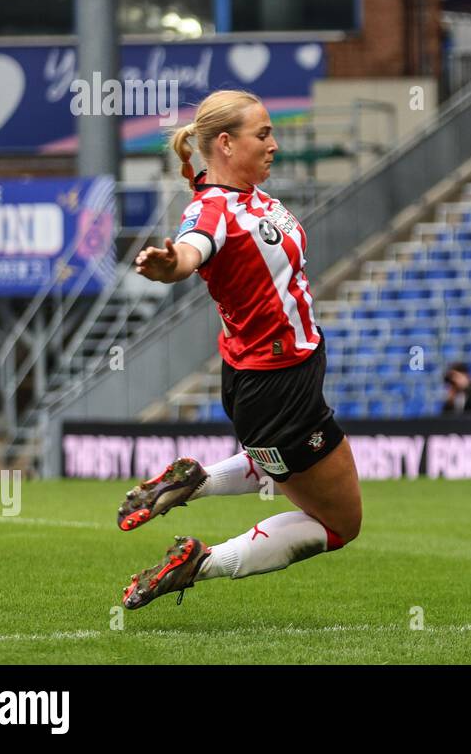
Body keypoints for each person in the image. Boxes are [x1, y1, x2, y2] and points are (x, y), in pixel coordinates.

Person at [118, 89, 362, 609]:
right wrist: (172, 265)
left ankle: (192, 485)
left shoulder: (254, 197)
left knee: (277, 463)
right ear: (225, 143)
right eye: (264, 134)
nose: (275, 144)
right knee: (340, 524)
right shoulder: (212, 209)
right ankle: (200, 563)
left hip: (276, 378)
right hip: (276, 384)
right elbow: (191, 249)